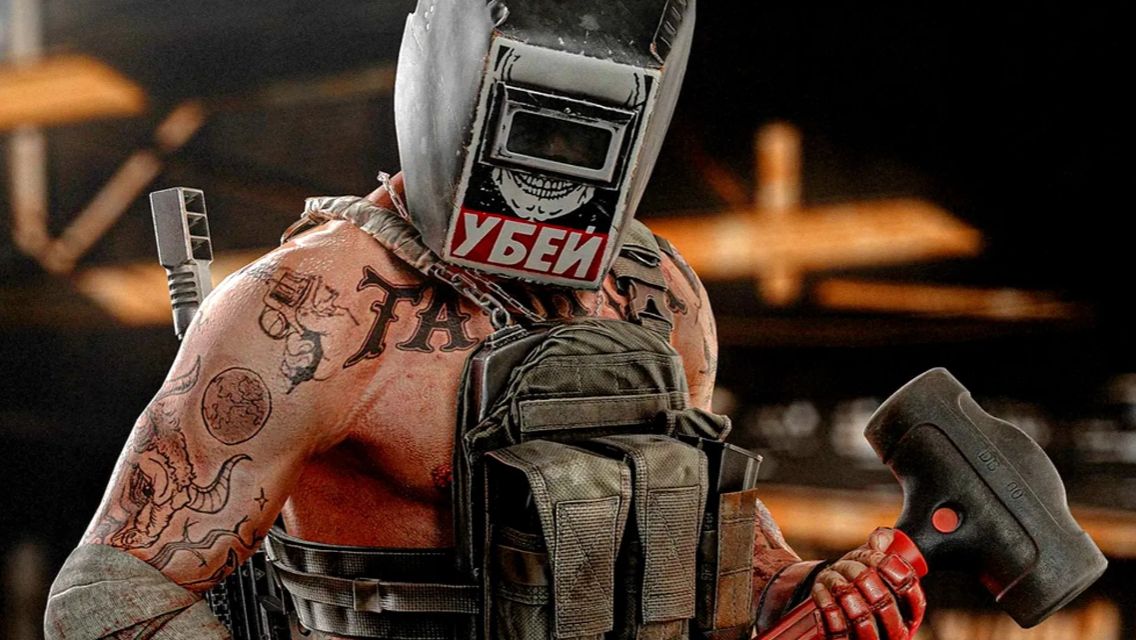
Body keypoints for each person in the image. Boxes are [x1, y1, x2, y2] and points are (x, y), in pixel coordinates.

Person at [44, 2, 924, 639]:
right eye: (534, 132)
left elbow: (694, 531)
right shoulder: (312, 310)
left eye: (583, 141)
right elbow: (109, 598)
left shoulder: (658, 296)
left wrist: (796, 588)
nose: (550, 174)